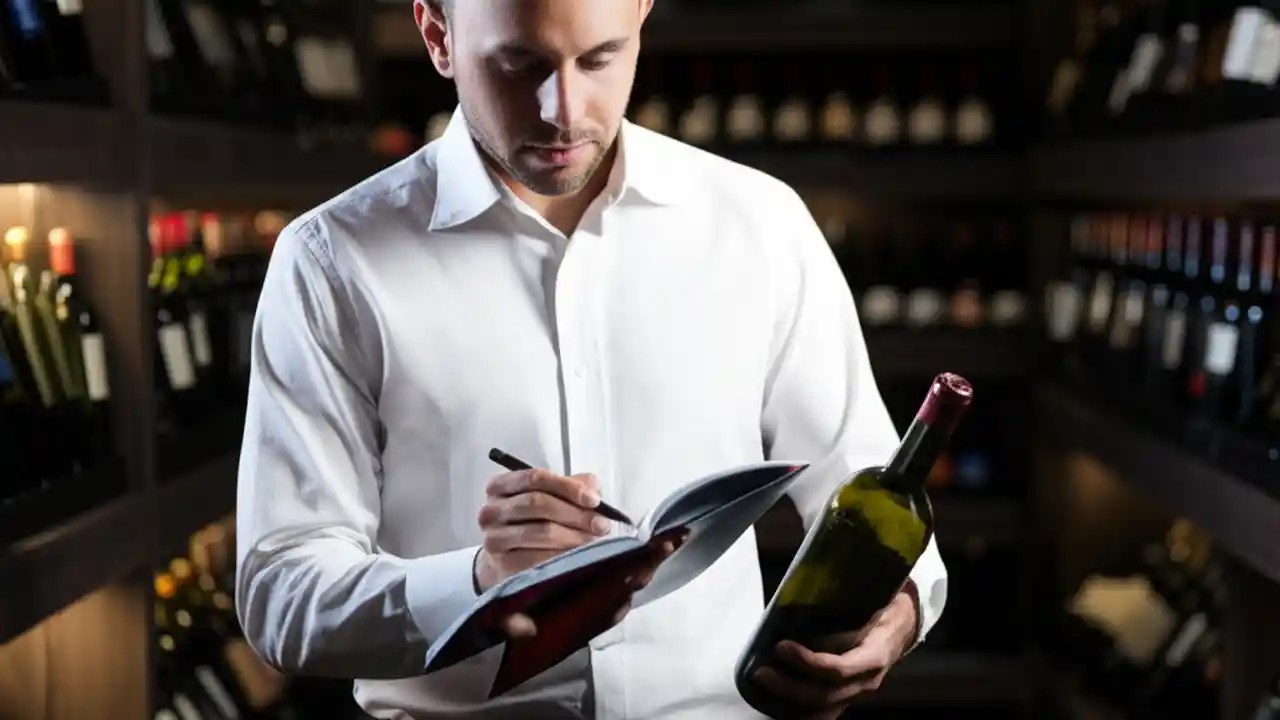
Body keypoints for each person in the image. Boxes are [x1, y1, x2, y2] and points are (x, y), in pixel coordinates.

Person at [233, 0, 949, 718]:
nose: (564, 111)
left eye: (601, 58)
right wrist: (479, 583)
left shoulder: (760, 225)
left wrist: (899, 616)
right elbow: (280, 597)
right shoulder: (332, 262)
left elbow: (869, 487)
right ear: (438, 36)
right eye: (521, 63)